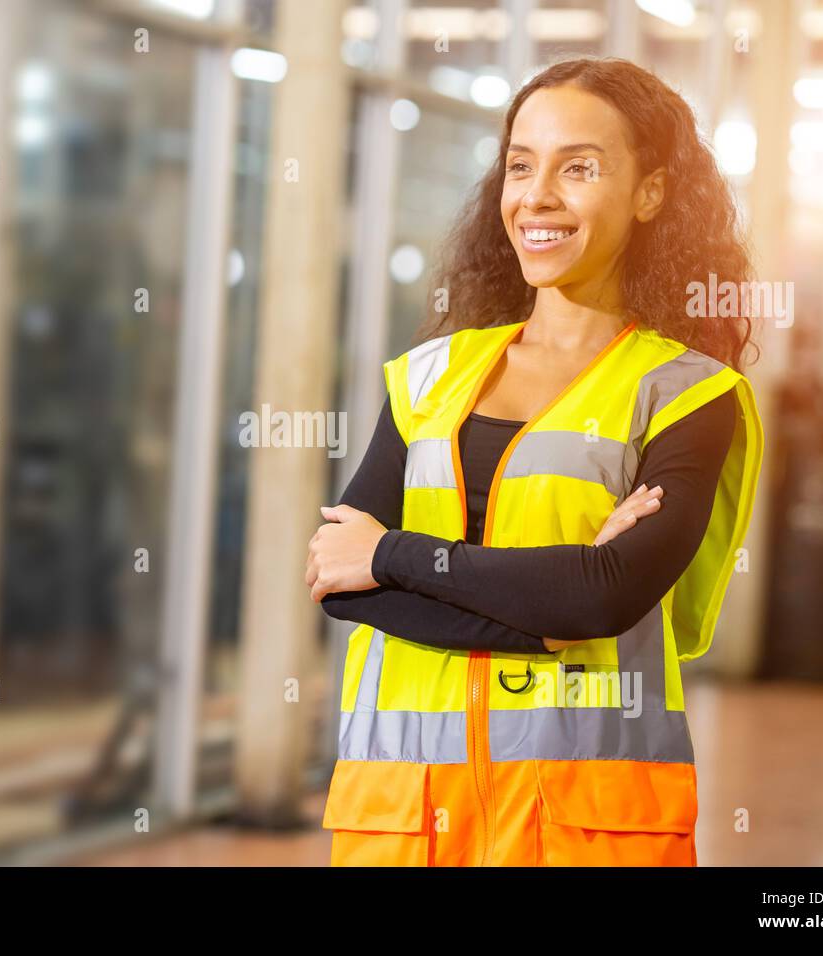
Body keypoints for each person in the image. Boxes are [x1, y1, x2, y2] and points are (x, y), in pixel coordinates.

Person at [304, 57, 764, 867]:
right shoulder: (430, 376)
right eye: (520, 165)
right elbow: (341, 587)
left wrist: (392, 556)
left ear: (650, 192)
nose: (536, 196)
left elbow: (604, 596)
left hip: (583, 830)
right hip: (404, 825)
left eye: (577, 167)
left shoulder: (687, 395)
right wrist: (544, 617)